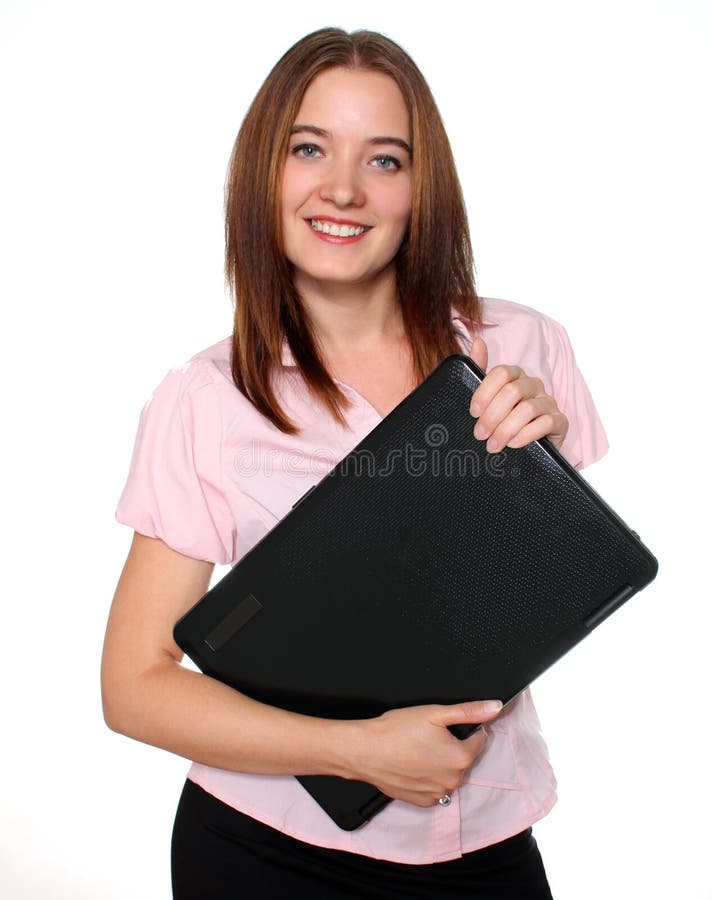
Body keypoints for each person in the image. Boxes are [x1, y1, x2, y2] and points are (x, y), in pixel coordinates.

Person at [102, 27, 607, 900]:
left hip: (486, 839)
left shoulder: (523, 345)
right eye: (309, 149)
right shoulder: (207, 398)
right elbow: (133, 687)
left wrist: (543, 461)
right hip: (269, 854)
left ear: (423, 189)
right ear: (265, 170)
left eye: (384, 160)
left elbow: (535, 591)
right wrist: (353, 751)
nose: (342, 189)